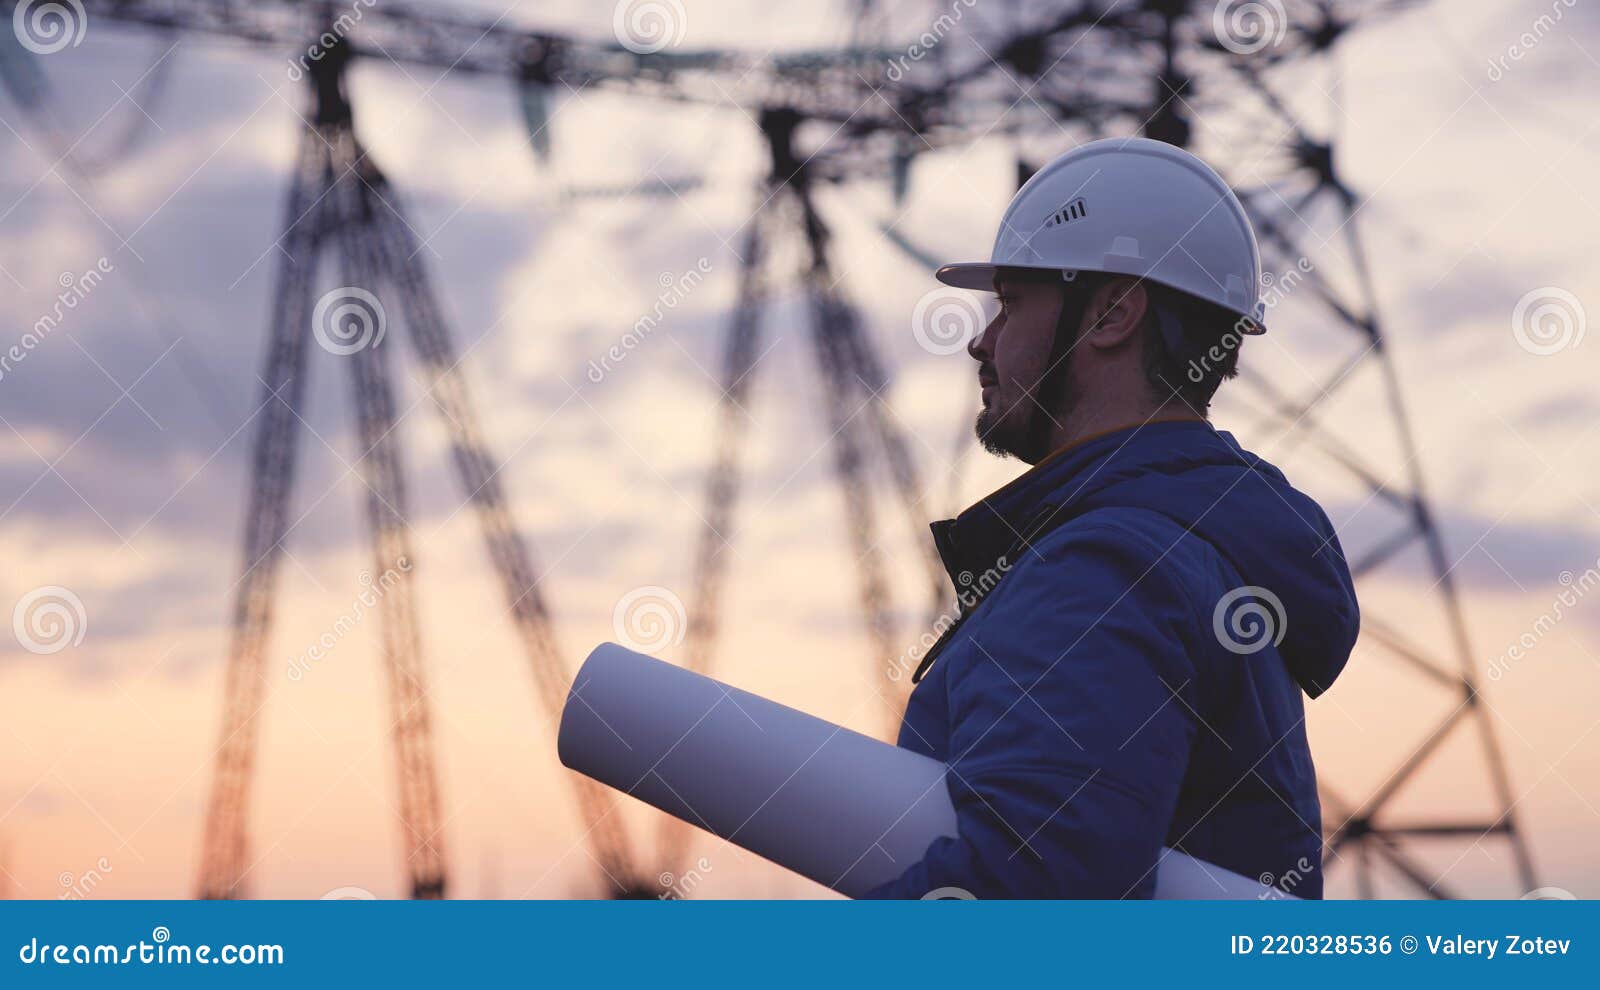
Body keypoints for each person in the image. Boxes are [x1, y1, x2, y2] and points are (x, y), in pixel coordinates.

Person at [866, 138, 1360, 899]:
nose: (982, 340)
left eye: (1011, 303)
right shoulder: (1196, 551)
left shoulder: (1105, 569)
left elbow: (1027, 900)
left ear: (1112, 313)